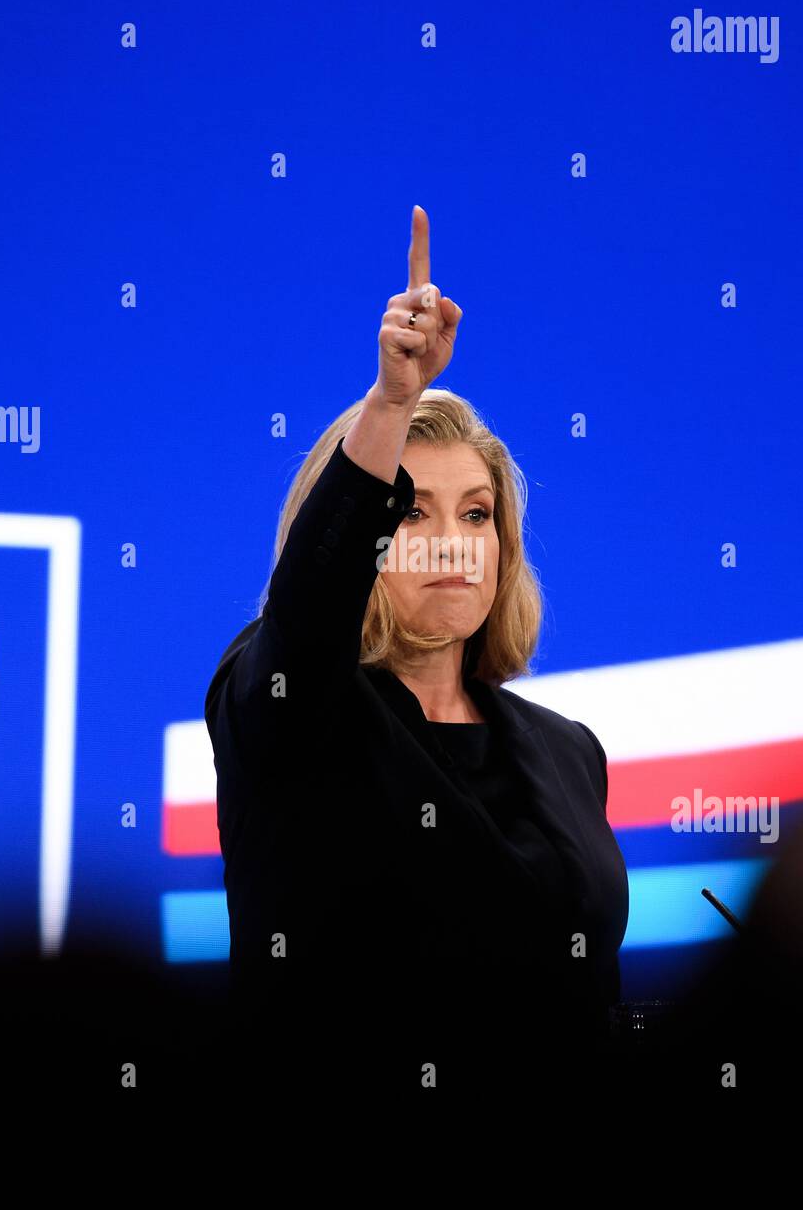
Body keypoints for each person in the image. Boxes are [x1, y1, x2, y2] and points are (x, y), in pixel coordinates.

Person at [204, 205, 629, 1100]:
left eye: (476, 514)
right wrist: (394, 401)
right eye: (408, 512)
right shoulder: (288, 707)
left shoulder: (568, 751)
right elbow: (309, 610)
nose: (452, 542)